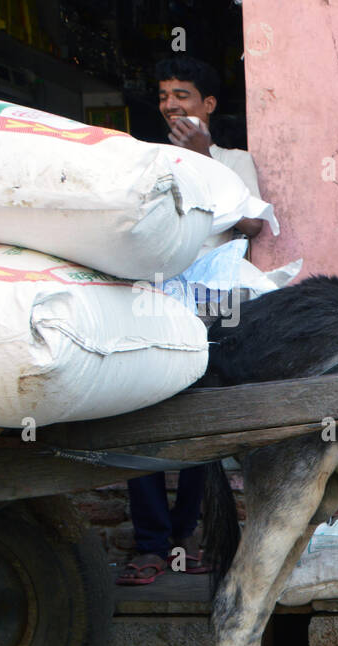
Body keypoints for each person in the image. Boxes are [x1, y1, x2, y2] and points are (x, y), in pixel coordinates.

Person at [116, 54, 264, 585]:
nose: (170, 105)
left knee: (201, 424)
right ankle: (152, 543)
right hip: (156, 303)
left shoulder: (234, 159)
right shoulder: (151, 158)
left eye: (181, 95)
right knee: (138, 420)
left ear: (209, 104)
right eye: (164, 96)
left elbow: (252, 222)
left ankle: (186, 535)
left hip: (213, 309)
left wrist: (203, 158)